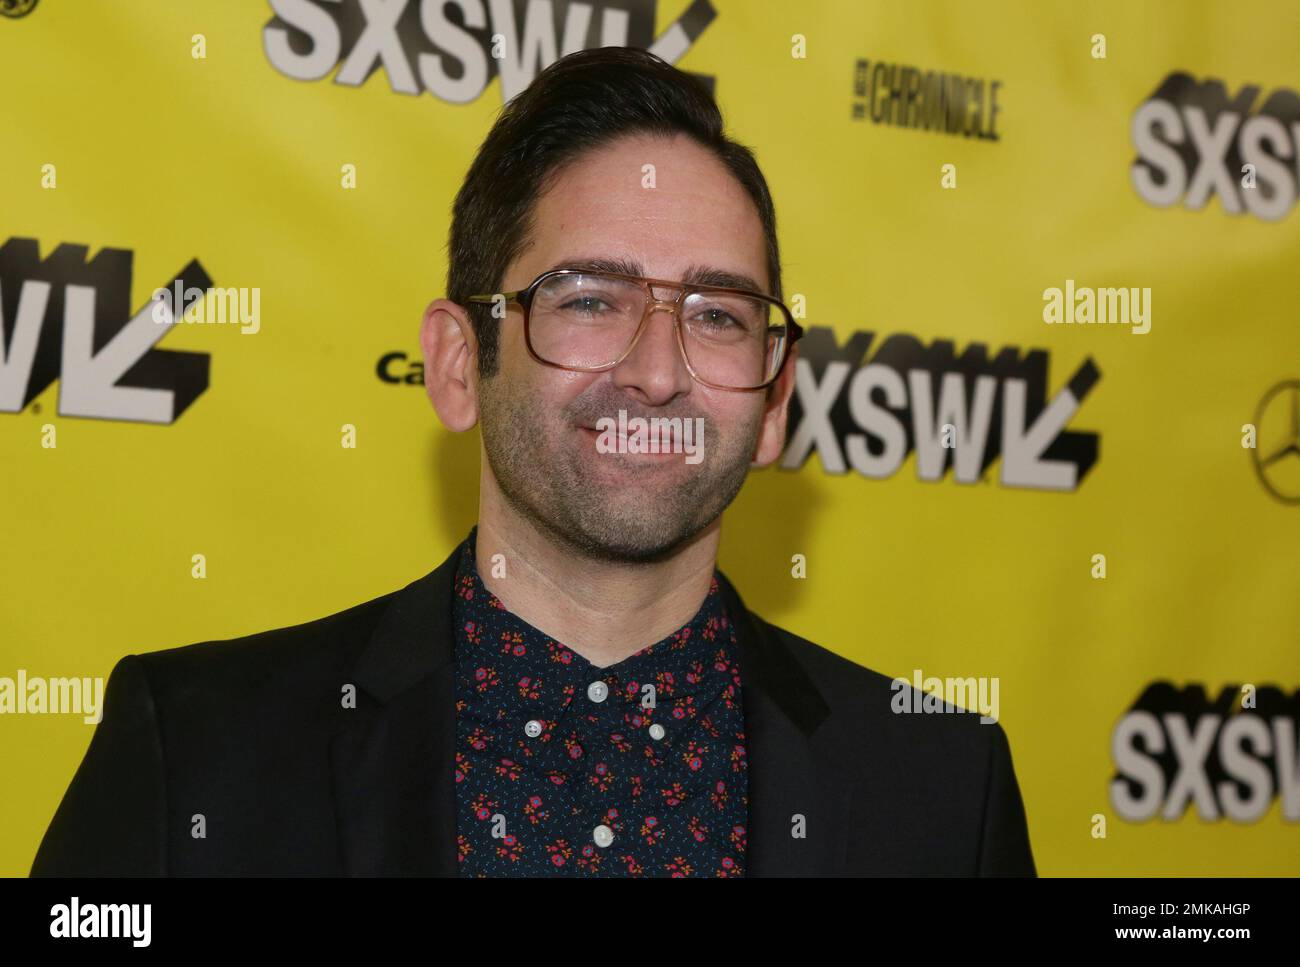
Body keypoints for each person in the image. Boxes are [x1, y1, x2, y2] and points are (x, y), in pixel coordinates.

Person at [30, 46, 1034, 877]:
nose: (655, 372)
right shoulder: (201, 756)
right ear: (459, 363)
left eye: (718, 315)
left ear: (774, 400)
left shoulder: (942, 790)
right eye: (589, 299)